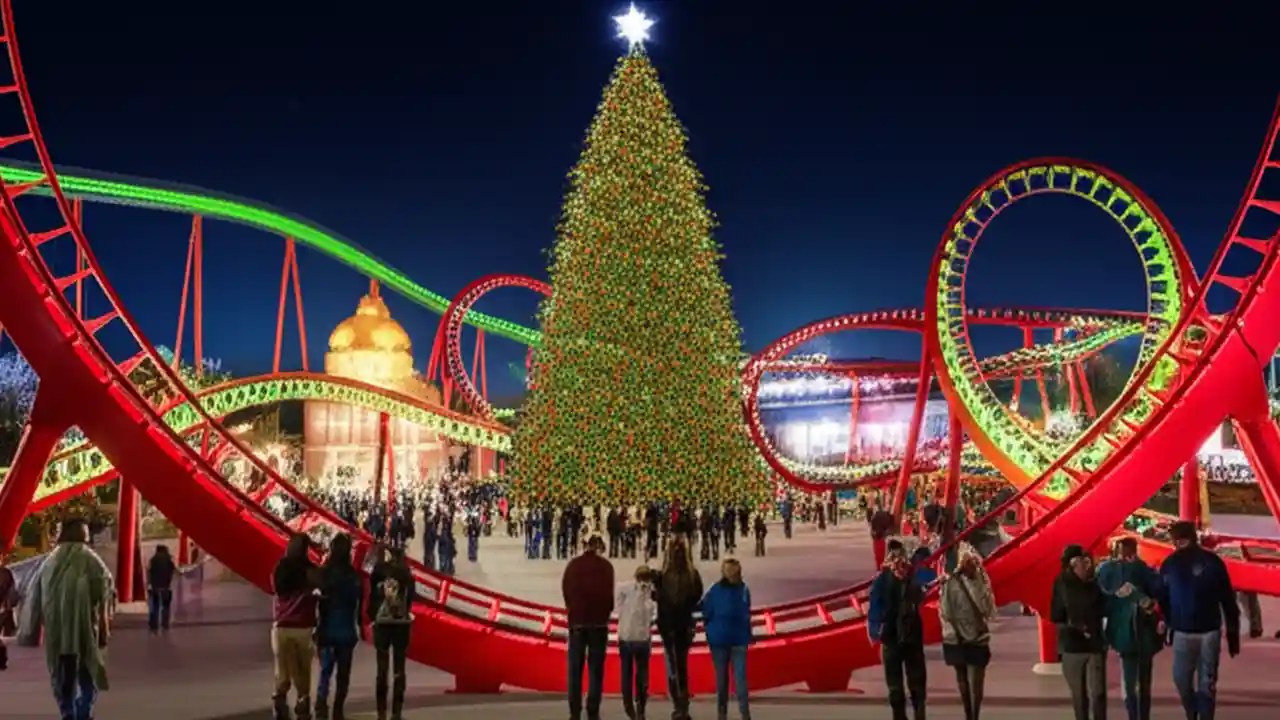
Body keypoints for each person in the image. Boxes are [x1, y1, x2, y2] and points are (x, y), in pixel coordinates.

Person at [16, 517, 114, 720]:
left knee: (63, 676)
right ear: (79, 532)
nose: (88, 534)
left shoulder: (49, 562)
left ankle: (67, 712)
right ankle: (83, 711)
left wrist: (30, 630)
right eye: (85, 530)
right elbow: (104, 592)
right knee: (88, 672)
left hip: (57, 632)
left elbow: (34, 596)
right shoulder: (90, 559)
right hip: (84, 630)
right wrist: (104, 626)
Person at [1159, 521, 1239, 720]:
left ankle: (1198, 713)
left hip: (1197, 631)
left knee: (1195, 682)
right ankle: (1197, 712)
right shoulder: (1175, 564)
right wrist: (1232, 633)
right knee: (1194, 681)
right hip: (1195, 630)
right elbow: (1228, 600)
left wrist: (1232, 633)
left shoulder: (1200, 563)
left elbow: (1227, 599)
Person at [1097, 537, 1163, 720]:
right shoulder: (1112, 570)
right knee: (1138, 682)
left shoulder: (1135, 569)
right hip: (1132, 633)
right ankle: (1138, 715)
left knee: (1136, 681)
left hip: (1132, 632)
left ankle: (1137, 715)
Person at [939, 543, 996, 720]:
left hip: (954, 637)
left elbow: (944, 610)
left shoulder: (950, 581)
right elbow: (987, 609)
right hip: (975, 637)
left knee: (963, 680)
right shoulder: (980, 580)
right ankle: (973, 715)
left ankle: (969, 714)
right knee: (974, 682)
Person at [868, 547, 926, 720]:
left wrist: (875, 632)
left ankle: (901, 716)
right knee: (915, 681)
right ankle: (918, 714)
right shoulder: (912, 577)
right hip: (910, 635)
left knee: (895, 683)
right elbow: (922, 595)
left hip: (891, 637)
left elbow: (874, 608)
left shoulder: (882, 580)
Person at [1051, 545, 1107, 720]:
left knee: (1098, 692)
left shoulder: (1094, 583)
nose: (1088, 565)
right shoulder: (1061, 584)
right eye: (1084, 562)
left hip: (1095, 645)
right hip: (1072, 646)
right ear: (1073, 565)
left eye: (1087, 561)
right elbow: (1055, 615)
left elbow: (1104, 608)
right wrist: (1073, 626)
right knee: (1079, 695)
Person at [561, 534, 614, 720]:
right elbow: (610, 597)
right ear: (599, 547)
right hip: (599, 624)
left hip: (577, 623)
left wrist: (572, 611)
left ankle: (574, 711)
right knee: (595, 669)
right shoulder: (607, 567)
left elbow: (566, 590)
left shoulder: (574, 566)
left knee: (575, 669)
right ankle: (593, 709)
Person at [653, 536, 703, 720]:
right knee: (681, 665)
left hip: (668, 626)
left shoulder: (663, 576)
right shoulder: (692, 575)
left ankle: (677, 704)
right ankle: (683, 705)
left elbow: (658, 598)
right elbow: (697, 595)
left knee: (672, 665)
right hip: (684, 624)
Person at [272, 532, 321, 720]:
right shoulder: (309, 571)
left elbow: (276, 589)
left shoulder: (279, 568)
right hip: (303, 626)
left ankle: (280, 695)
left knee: (282, 668)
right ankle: (303, 699)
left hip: (281, 625)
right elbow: (321, 586)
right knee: (303, 669)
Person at [315, 533, 363, 720]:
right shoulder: (353, 576)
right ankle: (338, 709)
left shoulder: (324, 573)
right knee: (343, 674)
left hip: (327, 628)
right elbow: (356, 602)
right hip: (346, 629)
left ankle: (321, 706)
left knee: (325, 671)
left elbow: (319, 601)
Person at [702, 558, 753, 720]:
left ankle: (721, 713)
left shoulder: (715, 590)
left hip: (719, 638)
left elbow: (706, 610)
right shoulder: (744, 590)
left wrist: (709, 626)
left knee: (721, 678)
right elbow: (746, 611)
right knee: (740, 678)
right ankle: (745, 713)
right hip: (739, 638)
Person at [369, 545, 414, 720]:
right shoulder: (406, 573)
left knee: (382, 669)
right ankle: (396, 712)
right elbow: (411, 597)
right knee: (399, 669)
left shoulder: (379, 571)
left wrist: (371, 615)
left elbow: (372, 595)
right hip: (401, 623)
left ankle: (381, 712)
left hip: (382, 622)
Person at [615, 565, 657, 720]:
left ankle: (631, 707)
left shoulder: (626, 589)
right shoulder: (647, 594)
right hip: (640, 639)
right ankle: (639, 707)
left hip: (628, 637)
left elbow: (618, 606)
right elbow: (652, 614)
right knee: (641, 675)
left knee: (628, 674)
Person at [146, 544, 176, 634]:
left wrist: (149, 583)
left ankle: (154, 624)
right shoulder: (169, 559)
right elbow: (174, 570)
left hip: (155, 587)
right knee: (166, 607)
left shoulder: (153, 560)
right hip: (166, 587)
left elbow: (149, 572)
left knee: (154, 606)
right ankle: (165, 623)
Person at [0, 552, 17, 670]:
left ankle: (2, 660)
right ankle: (2, 660)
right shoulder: (6, 573)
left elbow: (11, 591)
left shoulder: (5, 573)